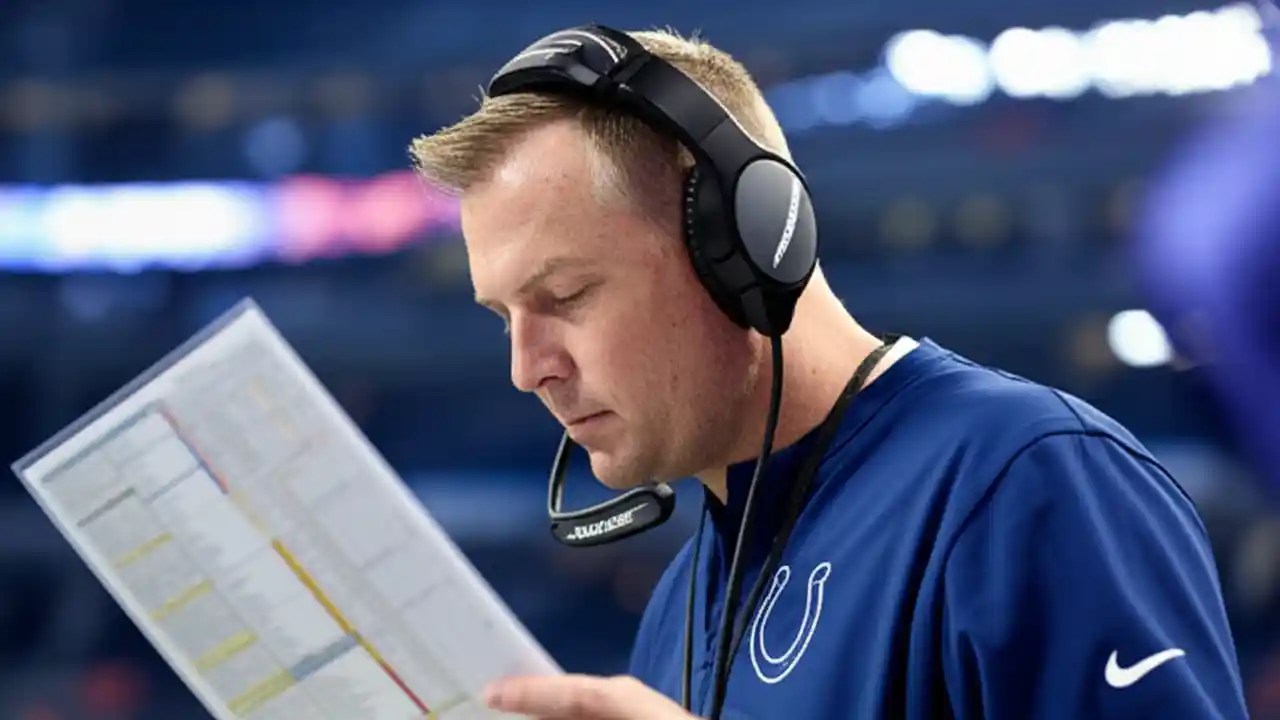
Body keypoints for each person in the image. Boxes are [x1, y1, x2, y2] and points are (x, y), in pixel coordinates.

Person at [409, 26, 1250, 720]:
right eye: (503, 318)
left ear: (737, 243)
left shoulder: (1031, 482)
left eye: (564, 295)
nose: (527, 370)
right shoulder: (678, 605)